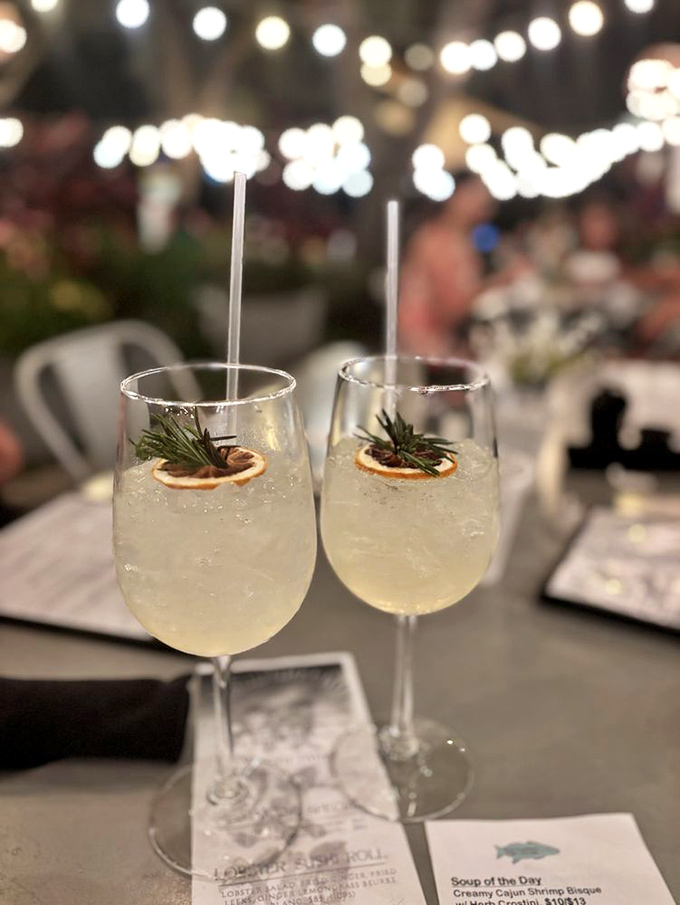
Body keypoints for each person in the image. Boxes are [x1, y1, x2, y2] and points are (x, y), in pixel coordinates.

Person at [399, 175, 526, 355]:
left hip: (449, 342)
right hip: (428, 350)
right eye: (475, 193)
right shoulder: (437, 242)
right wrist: (503, 279)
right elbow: (450, 309)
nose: (485, 200)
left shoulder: (461, 239)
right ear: (455, 196)